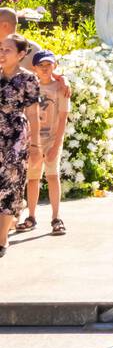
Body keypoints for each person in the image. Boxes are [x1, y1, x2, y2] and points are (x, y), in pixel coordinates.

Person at [15, 49, 69, 237]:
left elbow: (63, 118)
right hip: (33, 140)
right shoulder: (30, 86)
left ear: (55, 66)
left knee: (52, 176)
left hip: (52, 139)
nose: (45, 69)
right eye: (41, 66)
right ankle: (31, 216)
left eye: (49, 65)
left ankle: (56, 217)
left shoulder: (60, 88)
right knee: (33, 178)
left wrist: (56, 145)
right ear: (34, 68)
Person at [0, 35, 41, 259]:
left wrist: (35, 146)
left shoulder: (28, 79)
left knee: (10, 183)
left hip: (16, 135)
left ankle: (2, 238)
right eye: (0, 48)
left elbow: (33, 114)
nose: (2, 53)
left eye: (7, 50)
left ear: (20, 54)